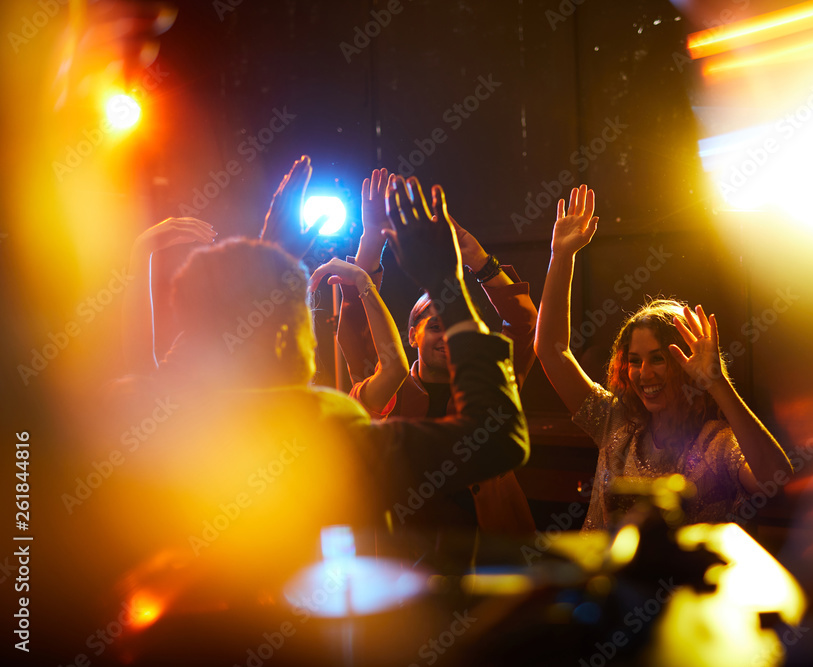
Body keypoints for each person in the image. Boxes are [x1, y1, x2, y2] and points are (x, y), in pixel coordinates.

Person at [100, 171, 529, 608]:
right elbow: (498, 437)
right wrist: (447, 282)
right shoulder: (332, 440)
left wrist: (263, 262)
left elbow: (145, 373)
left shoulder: (184, 430)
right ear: (290, 339)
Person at [533, 184, 792, 530]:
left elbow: (776, 481)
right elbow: (551, 351)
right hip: (604, 583)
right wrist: (561, 256)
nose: (644, 373)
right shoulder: (617, 423)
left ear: (685, 365)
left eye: (658, 359)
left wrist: (718, 383)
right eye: (635, 361)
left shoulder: (716, 443)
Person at [334, 168, 537, 536]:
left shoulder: (489, 381)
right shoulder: (388, 387)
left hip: (497, 562)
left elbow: (525, 327)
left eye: (452, 324)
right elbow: (356, 321)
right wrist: (371, 239)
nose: (446, 337)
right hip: (408, 571)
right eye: (436, 326)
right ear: (412, 335)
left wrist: (478, 259)